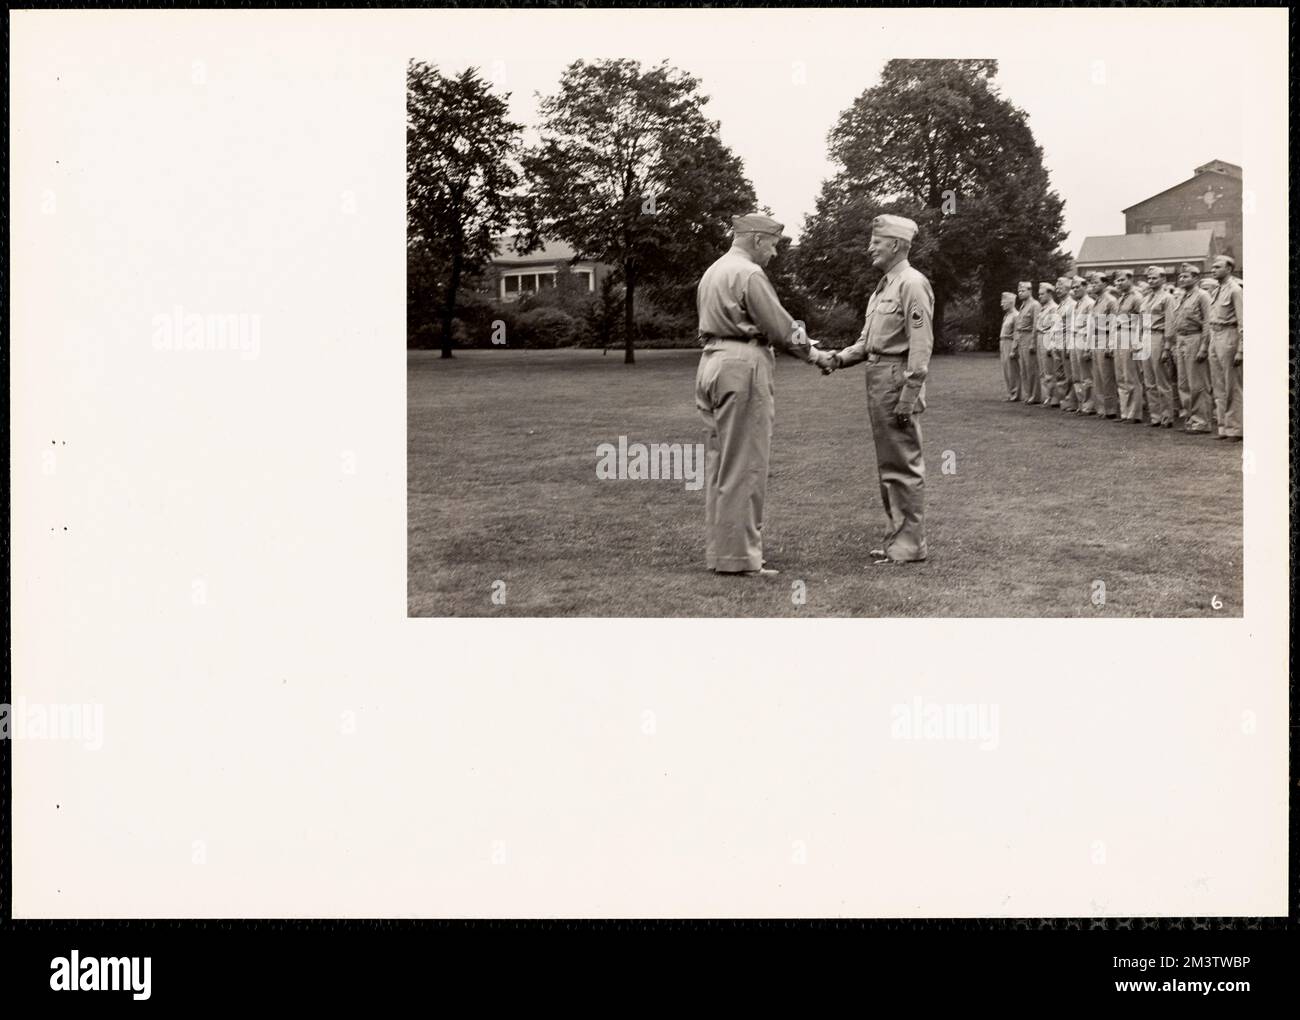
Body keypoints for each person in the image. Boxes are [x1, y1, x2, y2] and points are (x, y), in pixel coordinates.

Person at [694, 213, 831, 576]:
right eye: (772, 245)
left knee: (722, 466)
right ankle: (739, 560)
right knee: (746, 466)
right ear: (757, 240)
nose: (774, 253)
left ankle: (725, 553)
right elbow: (783, 328)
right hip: (743, 366)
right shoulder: (749, 274)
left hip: (712, 362)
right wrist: (815, 355)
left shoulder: (714, 271)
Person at [822, 214, 933, 564]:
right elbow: (869, 342)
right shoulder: (885, 285)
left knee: (904, 464)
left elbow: (920, 344)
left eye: (877, 242)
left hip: (896, 379)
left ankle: (910, 546)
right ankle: (897, 540)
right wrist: (837, 359)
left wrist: (909, 395)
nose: (870, 247)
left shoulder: (912, 283)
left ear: (897, 245)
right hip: (879, 376)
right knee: (890, 465)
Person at [1170, 262, 1214, 435]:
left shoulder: (1202, 296)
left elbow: (1207, 323)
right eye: (1180, 276)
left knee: (1198, 383)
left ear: (1196, 278)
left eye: (1186, 276)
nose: (1182, 279)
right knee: (1183, 382)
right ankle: (1190, 419)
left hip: (1195, 338)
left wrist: (1204, 346)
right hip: (1181, 339)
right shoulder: (1182, 296)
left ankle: (1202, 422)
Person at [1206, 255, 1243, 441]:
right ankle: (1223, 427)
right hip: (1215, 335)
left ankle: (1236, 428)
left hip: (1229, 335)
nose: (1213, 270)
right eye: (1212, 267)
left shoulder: (1235, 290)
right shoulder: (1216, 291)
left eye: (1218, 267)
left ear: (1229, 269)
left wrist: (1241, 349)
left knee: (1232, 385)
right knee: (1218, 384)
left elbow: (1243, 322)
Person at [1139, 265, 1178, 427]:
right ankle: (1155, 416)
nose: (1151, 281)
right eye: (1149, 278)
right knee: (1149, 380)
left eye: (1154, 278)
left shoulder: (1167, 298)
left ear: (1163, 279)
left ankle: (1167, 417)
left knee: (1161, 379)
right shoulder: (1147, 298)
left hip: (1159, 336)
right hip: (1146, 336)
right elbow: (1142, 321)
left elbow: (1170, 322)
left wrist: (1167, 346)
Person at [1112, 269, 1146, 423]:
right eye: (1117, 281)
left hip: (1130, 335)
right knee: (1121, 377)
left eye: (1122, 280)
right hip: (1119, 336)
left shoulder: (1137, 298)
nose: (1119, 283)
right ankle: (1125, 413)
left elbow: (1143, 320)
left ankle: (1134, 413)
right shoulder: (1120, 298)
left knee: (1131, 376)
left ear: (1130, 279)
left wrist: (1137, 341)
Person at [1088, 273, 1121, 418]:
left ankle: (1110, 409)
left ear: (1105, 284)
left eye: (1096, 283)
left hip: (1106, 337)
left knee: (1107, 376)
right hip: (1097, 338)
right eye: (1092, 283)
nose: (1093, 285)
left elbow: (1114, 323)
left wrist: (1111, 344)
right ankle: (1102, 408)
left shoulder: (1110, 301)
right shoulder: (1097, 301)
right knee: (1098, 375)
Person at [1067, 276, 1095, 414]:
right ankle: (1080, 402)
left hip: (1083, 339)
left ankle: (1089, 405)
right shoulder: (1076, 304)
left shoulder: (1090, 303)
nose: (1075, 289)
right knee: (1076, 375)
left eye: (1078, 287)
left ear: (1085, 287)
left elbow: (1090, 327)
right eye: (1073, 287)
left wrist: (1088, 347)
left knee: (1086, 375)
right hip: (1074, 339)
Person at [1013, 280, 1041, 404]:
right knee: (1024, 368)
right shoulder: (1023, 305)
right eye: (1019, 291)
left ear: (1030, 291)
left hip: (1030, 336)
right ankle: (1028, 394)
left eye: (1023, 291)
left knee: (1032, 368)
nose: (1020, 293)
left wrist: (1033, 342)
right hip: (1022, 337)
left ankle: (1035, 396)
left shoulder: (1035, 305)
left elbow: (1036, 324)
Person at [1053, 276, 1078, 410]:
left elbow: (1071, 326)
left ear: (1068, 289)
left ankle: (1072, 401)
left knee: (1069, 373)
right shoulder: (1060, 306)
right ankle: (1063, 399)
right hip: (1057, 340)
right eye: (1056, 288)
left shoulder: (1072, 305)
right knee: (1059, 373)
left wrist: (1069, 345)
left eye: (1060, 288)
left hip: (1066, 339)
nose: (1057, 290)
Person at [1036, 282, 1061, 407]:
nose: (1040, 296)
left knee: (1049, 370)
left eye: (1042, 294)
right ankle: (1047, 396)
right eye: (1039, 294)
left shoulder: (1054, 308)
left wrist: (1051, 343)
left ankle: (1053, 398)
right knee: (1043, 370)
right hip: (1040, 337)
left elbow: (1054, 327)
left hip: (1047, 337)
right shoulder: (1043, 308)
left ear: (1050, 294)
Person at [998, 291, 1019, 401]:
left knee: (1012, 370)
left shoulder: (1016, 315)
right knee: (1006, 369)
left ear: (1011, 303)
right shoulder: (1007, 316)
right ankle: (1010, 392)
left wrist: (1013, 349)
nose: (1002, 304)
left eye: (1004, 302)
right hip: (1003, 342)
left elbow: (1016, 333)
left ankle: (1015, 393)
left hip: (1010, 343)